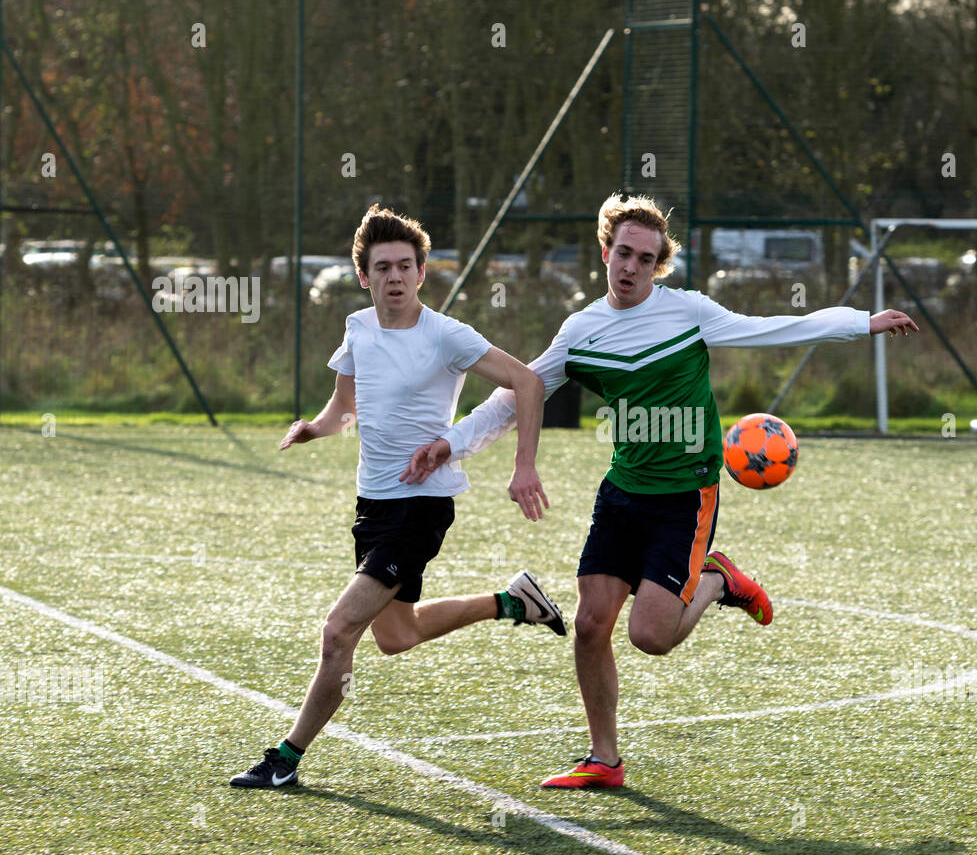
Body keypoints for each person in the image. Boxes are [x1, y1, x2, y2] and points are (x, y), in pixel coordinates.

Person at [411, 193, 919, 789]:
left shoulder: (689, 313)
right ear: (605, 252)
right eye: (623, 253)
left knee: (650, 637)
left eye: (645, 259)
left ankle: (717, 579)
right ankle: (604, 759)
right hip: (623, 492)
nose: (631, 267)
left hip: (686, 494)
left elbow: (774, 329)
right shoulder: (581, 330)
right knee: (592, 624)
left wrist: (862, 322)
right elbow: (517, 394)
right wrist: (452, 441)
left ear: (659, 267)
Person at [231, 204, 565, 789]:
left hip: (422, 505)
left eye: (404, 266)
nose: (394, 276)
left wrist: (525, 465)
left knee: (338, 632)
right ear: (364, 276)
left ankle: (285, 758)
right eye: (382, 267)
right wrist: (316, 427)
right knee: (397, 636)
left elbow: (528, 382)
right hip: (372, 506)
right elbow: (344, 409)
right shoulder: (358, 328)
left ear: (421, 272)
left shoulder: (447, 336)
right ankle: (512, 601)